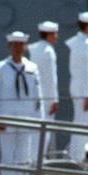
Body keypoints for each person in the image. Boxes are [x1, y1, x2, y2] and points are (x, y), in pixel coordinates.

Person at [0, 30, 43, 175]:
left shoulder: (32, 68)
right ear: (9, 46)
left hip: (26, 116)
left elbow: (37, 97)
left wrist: (38, 119)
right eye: (15, 45)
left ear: (25, 46)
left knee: (23, 153)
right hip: (7, 116)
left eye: (21, 45)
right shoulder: (1, 68)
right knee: (7, 153)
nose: (18, 48)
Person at [66, 11, 88, 163]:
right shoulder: (85, 44)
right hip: (85, 91)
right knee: (83, 126)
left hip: (80, 89)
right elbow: (86, 70)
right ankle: (78, 159)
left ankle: (76, 157)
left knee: (81, 125)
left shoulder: (80, 42)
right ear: (87, 27)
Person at [27, 20, 59, 154]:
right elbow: (51, 78)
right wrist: (54, 100)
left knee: (34, 131)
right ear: (50, 35)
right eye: (55, 34)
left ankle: (32, 160)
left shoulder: (33, 48)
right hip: (47, 98)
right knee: (44, 133)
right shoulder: (48, 51)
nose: (56, 36)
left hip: (34, 96)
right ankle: (38, 160)